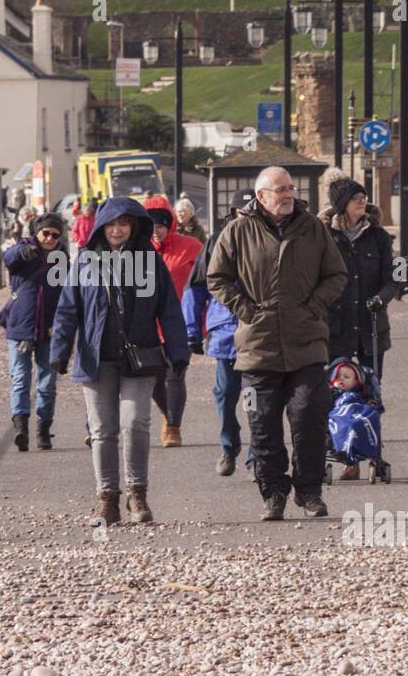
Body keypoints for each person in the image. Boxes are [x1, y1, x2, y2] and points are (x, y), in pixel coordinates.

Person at [208, 167, 348, 522]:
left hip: (307, 344)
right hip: (258, 348)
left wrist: (313, 307)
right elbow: (217, 277)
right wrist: (245, 309)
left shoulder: (314, 228)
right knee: (263, 426)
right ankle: (273, 493)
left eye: (291, 188)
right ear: (262, 197)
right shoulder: (237, 231)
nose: (288, 195)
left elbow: (337, 275)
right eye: (280, 190)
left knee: (308, 417)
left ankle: (309, 491)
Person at [50, 197, 190, 525]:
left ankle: (137, 494)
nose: (117, 230)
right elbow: (69, 308)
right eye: (112, 224)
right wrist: (59, 351)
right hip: (96, 357)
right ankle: (107, 499)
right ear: (101, 226)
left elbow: (168, 308)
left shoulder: (150, 262)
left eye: (124, 224)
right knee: (102, 430)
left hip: (139, 356)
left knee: (135, 423)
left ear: (134, 227)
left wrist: (179, 351)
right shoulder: (85, 261)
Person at [182, 190, 255, 476]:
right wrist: (192, 332)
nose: (247, 214)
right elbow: (196, 288)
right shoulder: (216, 241)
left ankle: (255, 454)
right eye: (242, 209)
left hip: (258, 334)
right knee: (225, 396)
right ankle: (229, 445)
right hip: (224, 333)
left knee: (255, 398)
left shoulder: (268, 239)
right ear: (234, 212)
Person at [319, 169, 398, 384]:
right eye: (356, 198)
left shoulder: (379, 236)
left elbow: (394, 279)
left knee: (371, 388)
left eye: (364, 197)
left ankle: (368, 419)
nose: (362, 201)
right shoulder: (324, 237)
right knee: (334, 388)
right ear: (342, 203)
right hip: (335, 328)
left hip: (370, 327)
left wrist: (380, 299)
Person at [0, 213, 67, 451]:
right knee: (20, 379)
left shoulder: (61, 258)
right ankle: (21, 429)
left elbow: (64, 294)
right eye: (45, 233)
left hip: (49, 329)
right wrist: (21, 252)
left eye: (55, 234)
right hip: (21, 327)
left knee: (47, 383)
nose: (49, 238)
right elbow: (7, 258)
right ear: (36, 233)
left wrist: (64, 327)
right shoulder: (23, 249)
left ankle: (43, 430)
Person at [143, 195, 202, 448]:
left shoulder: (190, 246)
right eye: (151, 226)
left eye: (161, 225)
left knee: (175, 374)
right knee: (154, 379)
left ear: (170, 224)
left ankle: (174, 427)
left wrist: (204, 320)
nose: (156, 231)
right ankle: (167, 415)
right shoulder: (137, 250)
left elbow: (205, 282)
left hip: (180, 321)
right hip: (146, 324)